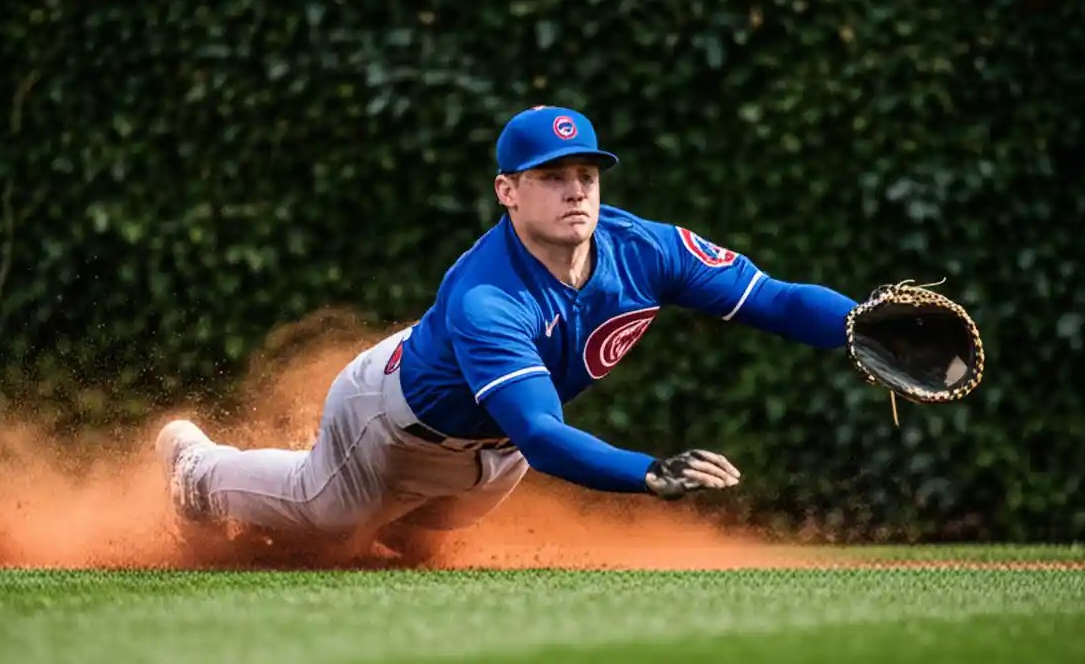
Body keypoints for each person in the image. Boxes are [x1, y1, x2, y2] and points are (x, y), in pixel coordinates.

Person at [155, 105, 856, 557]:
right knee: (335, 523)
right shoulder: (489, 295)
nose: (576, 190)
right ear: (508, 191)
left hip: (491, 447)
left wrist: (853, 324)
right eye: (551, 177)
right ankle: (198, 469)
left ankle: (358, 515)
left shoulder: (648, 250)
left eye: (586, 174)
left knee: (424, 538)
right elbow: (543, 438)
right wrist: (647, 472)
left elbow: (778, 299)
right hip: (392, 422)